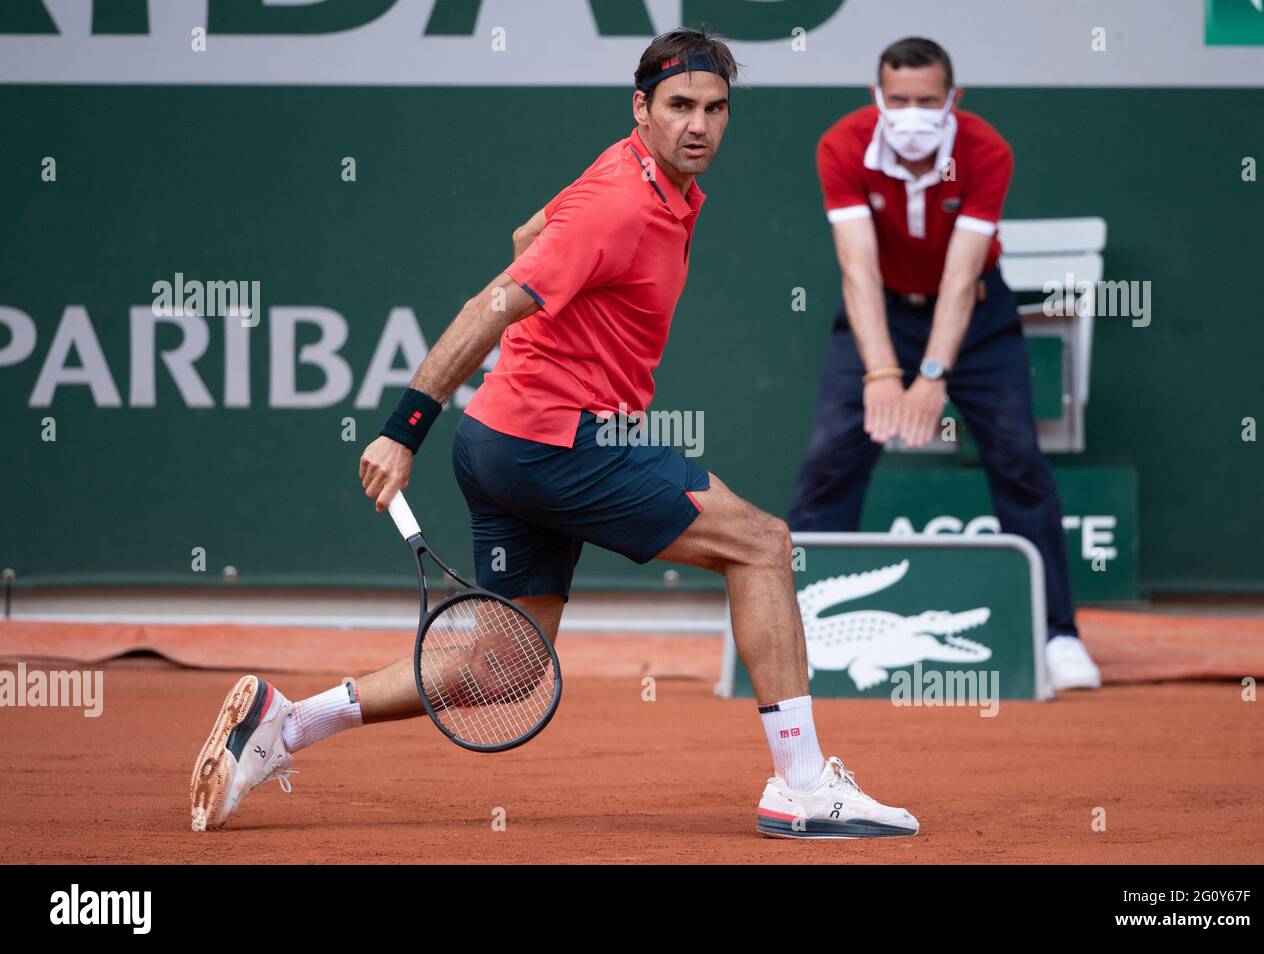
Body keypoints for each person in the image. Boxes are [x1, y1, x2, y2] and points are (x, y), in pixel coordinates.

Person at [189, 29, 919, 840]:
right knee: (763, 545)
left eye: (715, 109)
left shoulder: (643, 177)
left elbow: (525, 237)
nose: (699, 125)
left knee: (507, 665)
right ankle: (803, 785)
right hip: (557, 442)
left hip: (499, 441)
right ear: (641, 108)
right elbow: (492, 300)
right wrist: (401, 432)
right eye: (678, 107)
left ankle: (284, 725)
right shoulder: (620, 202)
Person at [787, 37, 1101, 693]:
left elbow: (961, 276)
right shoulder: (841, 146)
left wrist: (931, 377)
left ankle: (1057, 635)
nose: (911, 114)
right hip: (880, 313)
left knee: (1019, 459)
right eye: (897, 100)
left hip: (978, 315)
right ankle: (796, 635)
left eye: (926, 101)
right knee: (829, 459)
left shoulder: (984, 151)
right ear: (878, 98)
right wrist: (881, 373)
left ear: (951, 99)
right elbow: (857, 268)